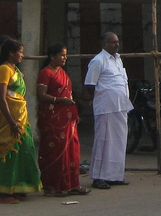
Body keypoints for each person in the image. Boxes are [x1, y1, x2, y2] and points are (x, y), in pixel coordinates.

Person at [0, 37, 41, 202]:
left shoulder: (15, 70)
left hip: (21, 119)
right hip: (9, 121)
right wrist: (10, 122)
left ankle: (17, 186)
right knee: (7, 155)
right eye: (20, 52)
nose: (23, 55)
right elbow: (1, 98)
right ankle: (2, 191)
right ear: (11, 53)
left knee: (24, 152)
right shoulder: (4, 70)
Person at [37, 43, 87, 197]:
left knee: (72, 150)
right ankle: (54, 186)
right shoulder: (46, 73)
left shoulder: (63, 73)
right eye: (62, 55)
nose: (65, 58)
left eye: (66, 55)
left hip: (67, 118)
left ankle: (72, 184)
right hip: (53, 119)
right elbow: (41, 95)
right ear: (52, 56)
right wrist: (60, 100)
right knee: (55, 150)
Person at [85, 31, 132, 190]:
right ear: (103, 44)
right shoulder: (98, 61)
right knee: (103, 142)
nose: (116, 44)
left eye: (117, 41)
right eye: (113, 42)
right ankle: (98, 177)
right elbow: (90, 85)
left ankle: (114, 176)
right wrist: (102, 98)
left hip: (121, 106)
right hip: (106, 107)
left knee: (119, 141)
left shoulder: (118, 60)